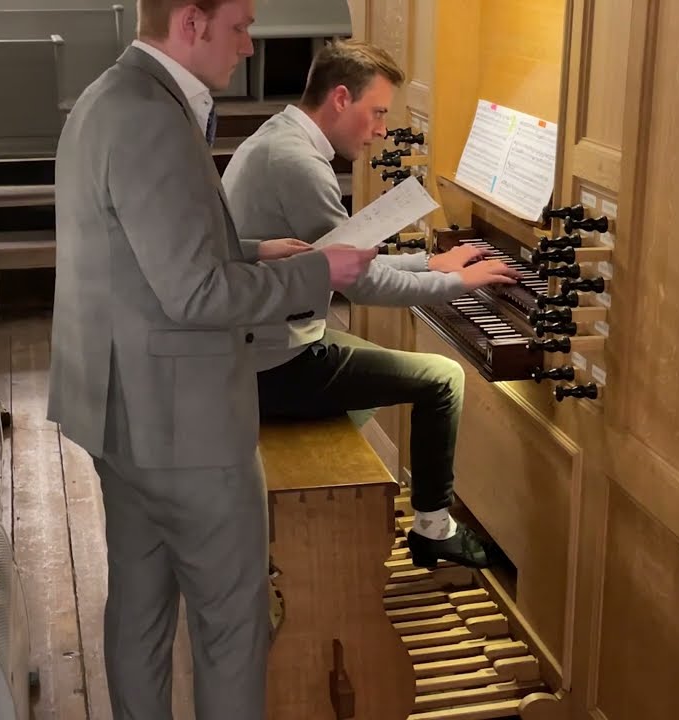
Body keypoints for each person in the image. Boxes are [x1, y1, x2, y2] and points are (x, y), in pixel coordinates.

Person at [45, 2, 378, 718]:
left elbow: (141, 248)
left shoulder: (109, 95)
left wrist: (254, 251)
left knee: (139, 612)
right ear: (191, 23)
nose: (249, 45)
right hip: (184, 427)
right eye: (239, 26)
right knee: (231, 628)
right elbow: (195, 294)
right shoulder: (153, 118)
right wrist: (320, 272)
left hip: (121, 414)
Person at [222, 40, 520, 570]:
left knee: (369, 373)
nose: (382, 129)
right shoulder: (299, 165)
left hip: (260, 344)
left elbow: (345, 263)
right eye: (378, 112)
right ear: (341, 98)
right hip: (269, 364)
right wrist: (459, 282)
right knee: (442, 379)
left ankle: (329, 509)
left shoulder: (278, 136)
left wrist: (431, 264)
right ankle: (433, 529)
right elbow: (362, 285)